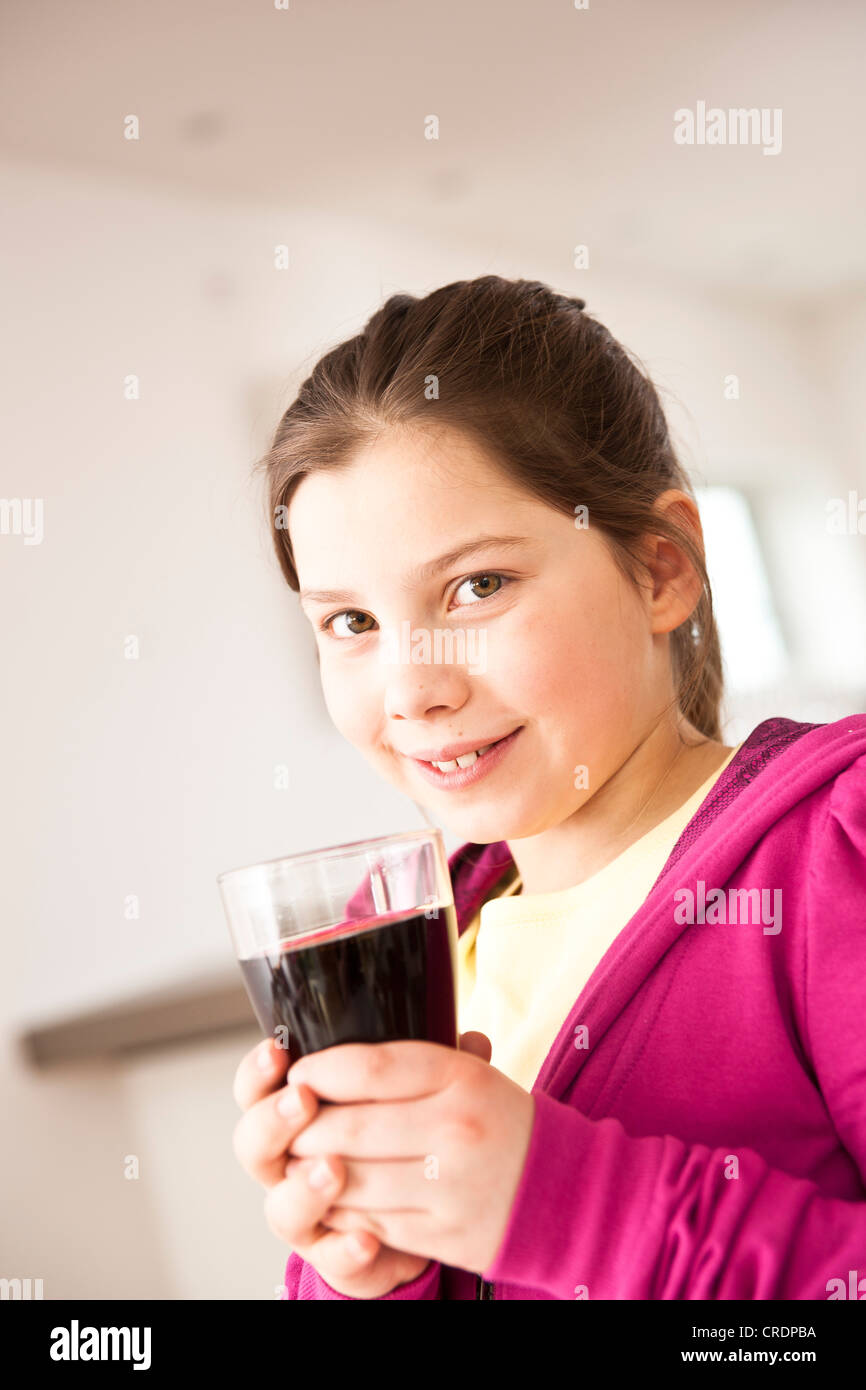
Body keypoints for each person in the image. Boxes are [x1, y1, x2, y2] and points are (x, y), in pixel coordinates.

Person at [231, 276, 866, 1300]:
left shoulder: (838, 852)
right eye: (350, 623)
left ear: (659, 569)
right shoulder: (412, 942)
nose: (412, 689)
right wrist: (367, 1275)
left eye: (475, 586)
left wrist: (567, 1208)